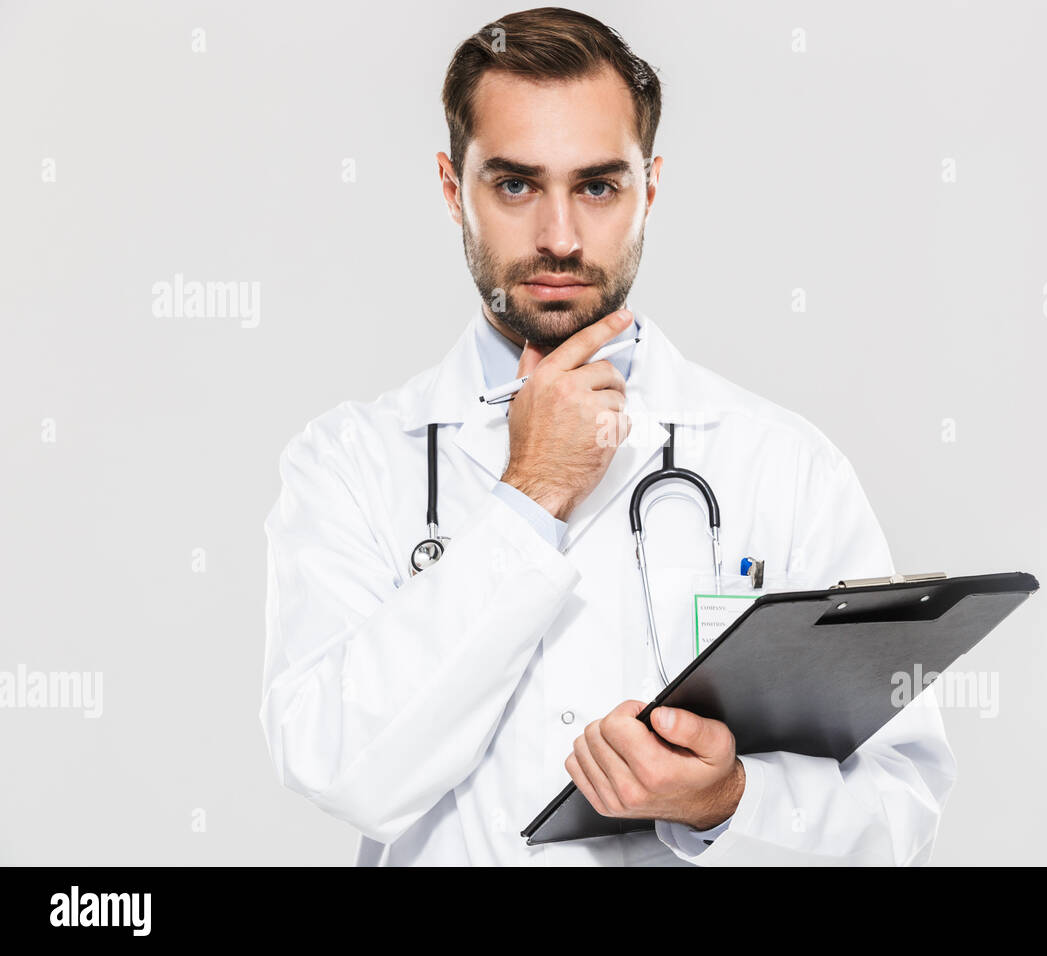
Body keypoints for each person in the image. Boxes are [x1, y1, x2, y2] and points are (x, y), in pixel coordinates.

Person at [259, 6, 956, 866]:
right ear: (452, 190)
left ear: (649, 189)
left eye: (598, 186)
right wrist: (529, 498)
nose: (559, 237)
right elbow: (335, 767)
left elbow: (900, 806)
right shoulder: (352, 463)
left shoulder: (783, 465)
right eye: (515, 185)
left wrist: (731, 802)